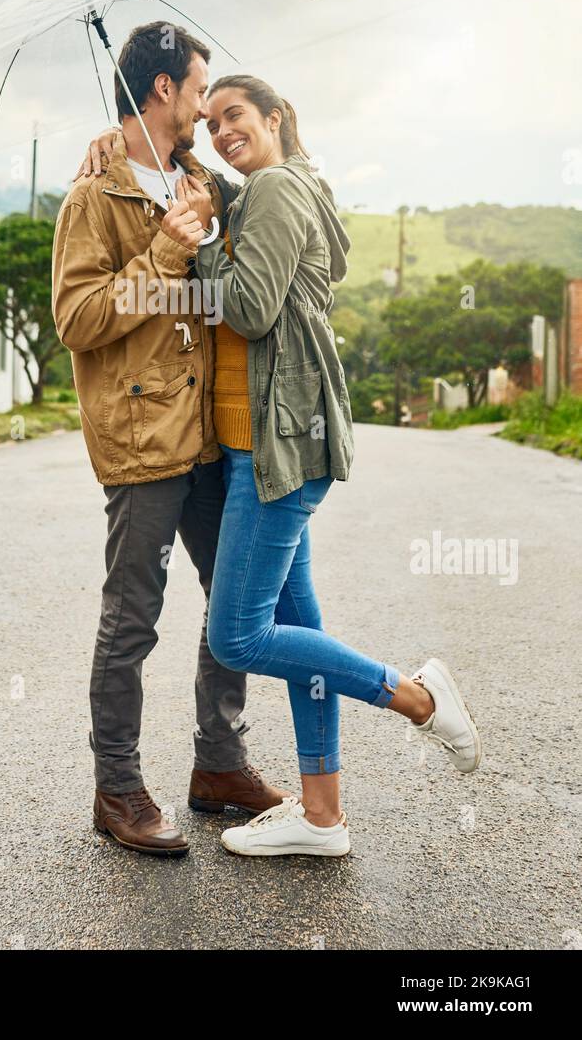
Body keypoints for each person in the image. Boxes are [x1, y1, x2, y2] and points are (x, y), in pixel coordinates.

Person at [155, 73, 483, 859]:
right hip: (258, 446)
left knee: (238, 636)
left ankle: (417, 696)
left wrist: (198, 252)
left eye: (233, 114)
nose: (219, 129)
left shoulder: (271, 187)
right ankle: (322, 816)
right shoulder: (277, 187)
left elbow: (249, 309)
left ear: (275, 117)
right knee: (297, 628)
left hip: (278, 447)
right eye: (208, 121)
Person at [51, 23, 287, 857]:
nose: (205, 108)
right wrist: (162, 248)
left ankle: (218, 767)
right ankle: (116, 789)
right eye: (196, 90)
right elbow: (78, 321)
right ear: (161, 90)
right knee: (133, 619)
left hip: (210, 439)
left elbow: (267, 187)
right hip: (141, 440)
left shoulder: (200, 181)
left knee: (234, 604)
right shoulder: (90, 197)